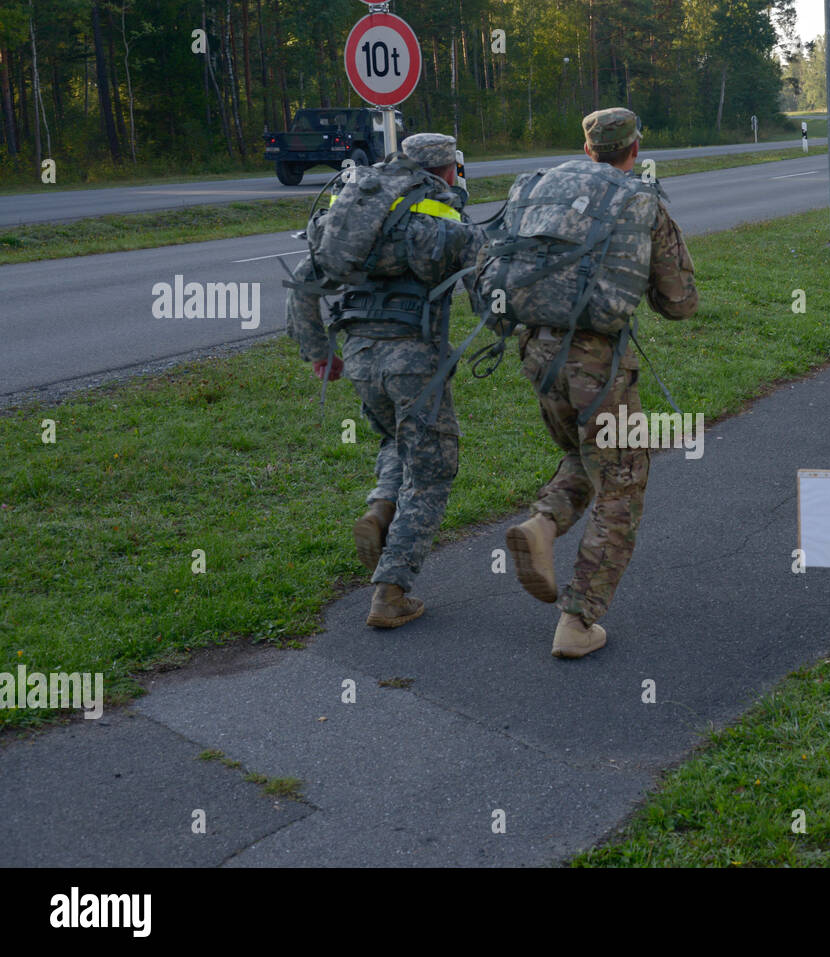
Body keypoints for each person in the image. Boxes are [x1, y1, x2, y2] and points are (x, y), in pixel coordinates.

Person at [505, 108, 698, 659]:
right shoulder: (640, 201)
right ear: (634, 148)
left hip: (536, 353)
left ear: (588, 148)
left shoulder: (546, 188)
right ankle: (578, 620)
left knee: (587, 457)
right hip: (597, 365)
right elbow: (680, 303)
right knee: (621, 485)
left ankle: (543, 525)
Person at [285, 133, 480, 628]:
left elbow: (304, 283)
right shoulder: (445, 213)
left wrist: (318, 353)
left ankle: (381, 508)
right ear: (447, 171)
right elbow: (487, 287)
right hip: (414, 358)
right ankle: (390, 592)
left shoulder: (360, 212)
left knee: (397, 439)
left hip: (360, 356)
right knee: (433, 470)